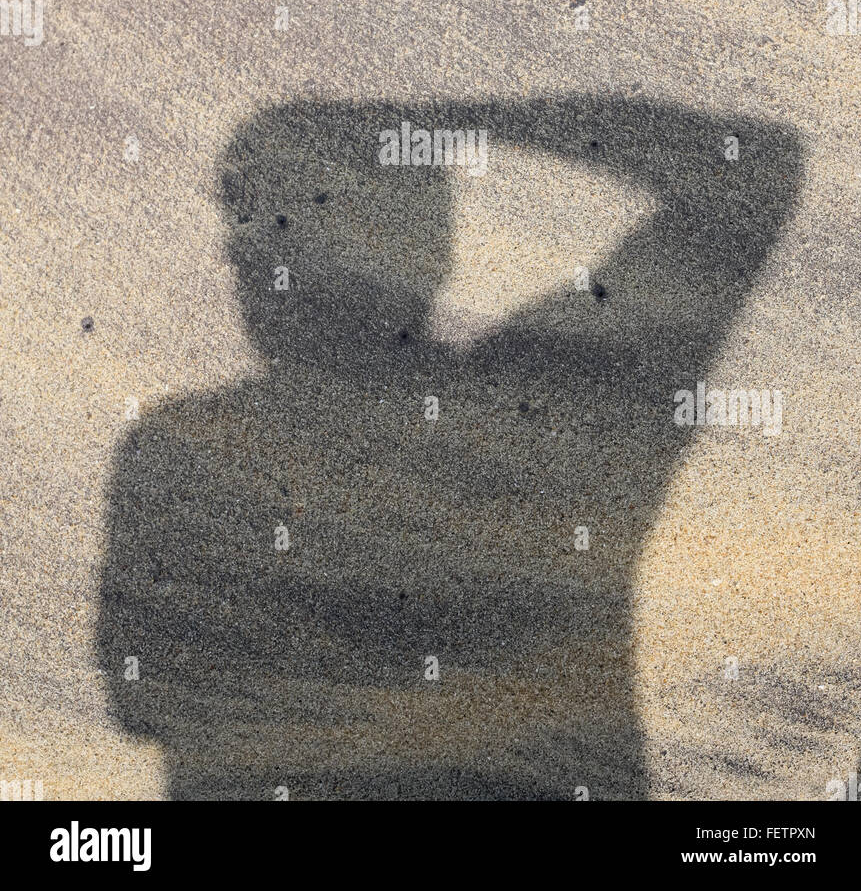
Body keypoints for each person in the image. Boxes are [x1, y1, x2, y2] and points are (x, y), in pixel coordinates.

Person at [98, 95, 801, 799]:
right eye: (243, 217)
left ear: (416, 247)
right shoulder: (551, 406)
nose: (246, 248)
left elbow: (142, 700)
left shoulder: (182, 457)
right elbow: (746, 172)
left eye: (289, 216)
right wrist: (449, 127)